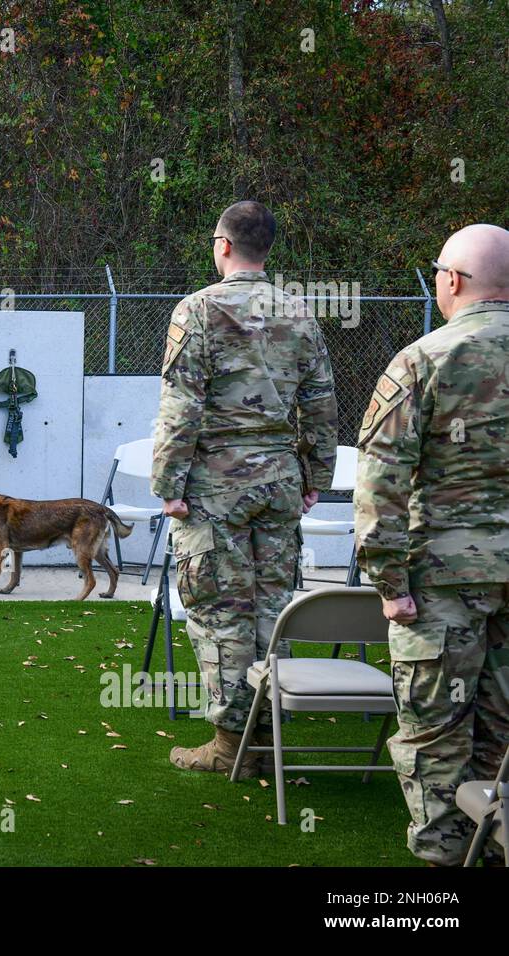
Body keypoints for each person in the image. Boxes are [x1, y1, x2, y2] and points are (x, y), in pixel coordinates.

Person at [151, 201, 338, 776]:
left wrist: (168, 482)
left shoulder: (198, 310)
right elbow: (321, 405)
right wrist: (316, 478)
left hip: (214, 488)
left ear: (223, 245)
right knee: (271, 608)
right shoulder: (301, 313)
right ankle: (265, 734)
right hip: (279, 483)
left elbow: (181, 405)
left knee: (220, 611)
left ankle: (233, 745)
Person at [355, 222, 509, 866]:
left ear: (452, 280)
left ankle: (445, 863)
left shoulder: (424, 360)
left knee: (435, 735)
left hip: (441, 580)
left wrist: (390, 584)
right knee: (501, 737)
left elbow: (381, 479)